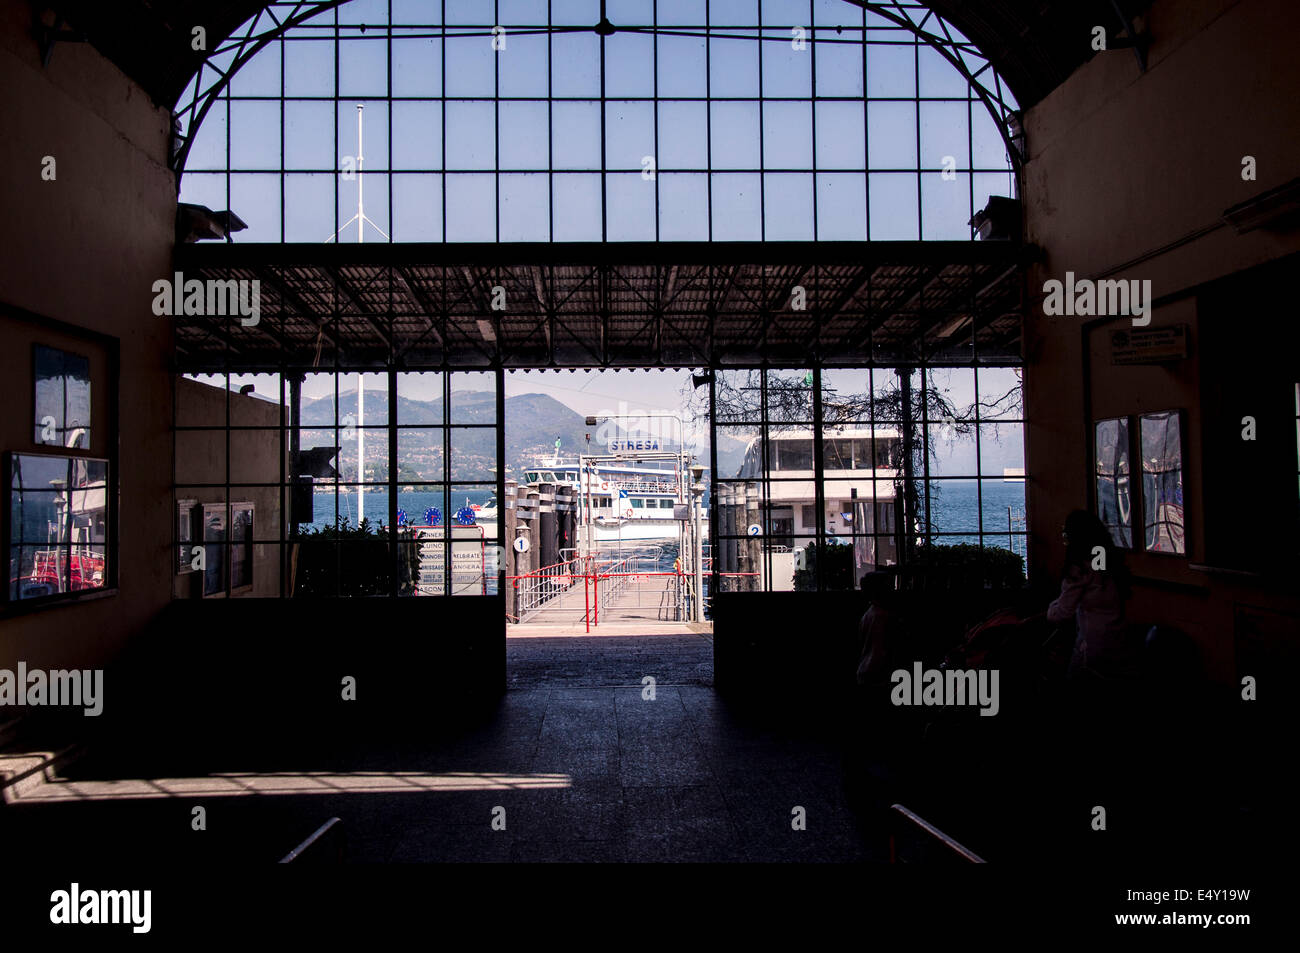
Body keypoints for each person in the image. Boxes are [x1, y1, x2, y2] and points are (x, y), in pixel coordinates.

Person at [1046, 509, 1136, 682]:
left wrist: (1050, 609)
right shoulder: (1110, 564)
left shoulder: (1080, 569)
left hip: (1092, 646)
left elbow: (1061, 613)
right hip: (1120, 641)